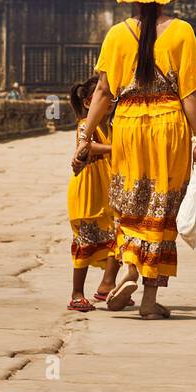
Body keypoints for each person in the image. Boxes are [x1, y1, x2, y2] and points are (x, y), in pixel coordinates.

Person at [72, 0, 196, 319]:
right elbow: (190, 94)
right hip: (168, 126)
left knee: (131, 202)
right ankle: (148, 299)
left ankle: (130, 266)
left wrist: (85, 134)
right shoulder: (182, 32)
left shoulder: (117, 35)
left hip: (128, 126)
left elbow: (102, 91)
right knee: (161, 208)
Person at [65, 76, 121, 311]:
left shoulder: (109, 127)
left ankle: (107, 285)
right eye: (105, 98)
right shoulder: (86, 124)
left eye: (112, 99)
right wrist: (117, 147)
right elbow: (86, 146)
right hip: (87, 193)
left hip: (106, 191)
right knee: (85, 242)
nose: (110, 103)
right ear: (89, 103)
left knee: (118, 240)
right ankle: (77, 294)